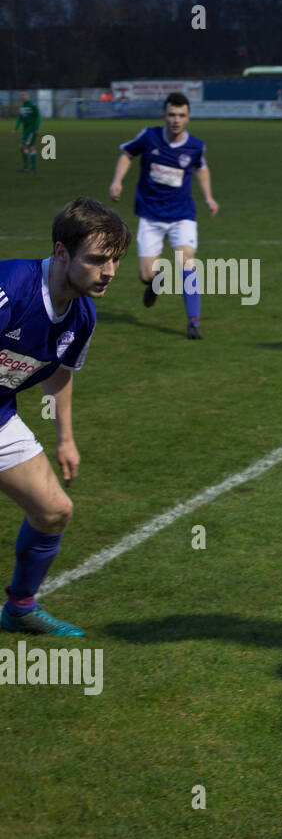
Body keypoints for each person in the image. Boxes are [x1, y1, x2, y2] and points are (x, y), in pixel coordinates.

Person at [0, 198, 130, 638]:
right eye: (96, 259)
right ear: (61, 253)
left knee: (53, 511)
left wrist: (66, 439)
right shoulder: (11, 286)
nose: (109, 271)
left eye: (115, 259)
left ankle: (19, 609)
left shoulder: (82, 315)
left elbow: (58, 372)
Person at [109, 92, 218, 339]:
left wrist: (209, 197)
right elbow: (127, 154)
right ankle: (156, 282)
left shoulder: (195, 146)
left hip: (182, 215)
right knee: (145, 274)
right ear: (164, 115)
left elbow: (201, 168)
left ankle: (193, 322)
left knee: (186, 259)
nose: (176, 120)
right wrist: (117, 182)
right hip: (151, 215)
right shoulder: (149, 136)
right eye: (171, 115)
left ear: (188, 118)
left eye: (181, 115)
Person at [12, 91, 40, 174]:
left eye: (24, 95)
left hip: (31, 130)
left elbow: (38, 116)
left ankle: (27, 167)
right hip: (25, 130)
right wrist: (15, 129)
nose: (22, 97)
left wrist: (37, 128)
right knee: (30, 147)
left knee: (22, 146)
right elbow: (20, 118)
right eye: (21, 95)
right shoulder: (21, 106)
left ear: (28, 96)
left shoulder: (32, 105)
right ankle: (31, 168)